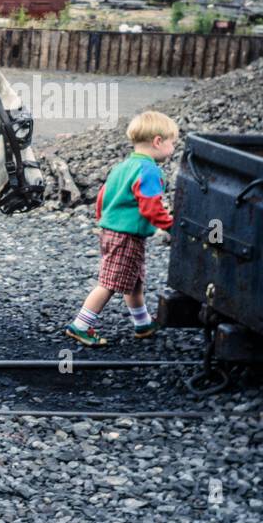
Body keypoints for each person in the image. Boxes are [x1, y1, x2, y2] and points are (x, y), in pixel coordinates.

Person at [64, 111, 178, 347]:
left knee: (133, 280)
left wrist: (103, 220)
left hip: (113, 231)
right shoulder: (149, 171)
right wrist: (171, 225)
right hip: (127, 235)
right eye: (172, 143)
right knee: (109, 283)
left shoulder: (123, 166)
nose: (173, 148)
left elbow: (103, 196)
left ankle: (142, 323)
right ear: (158, 141)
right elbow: (150, 207)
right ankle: (80, 325)